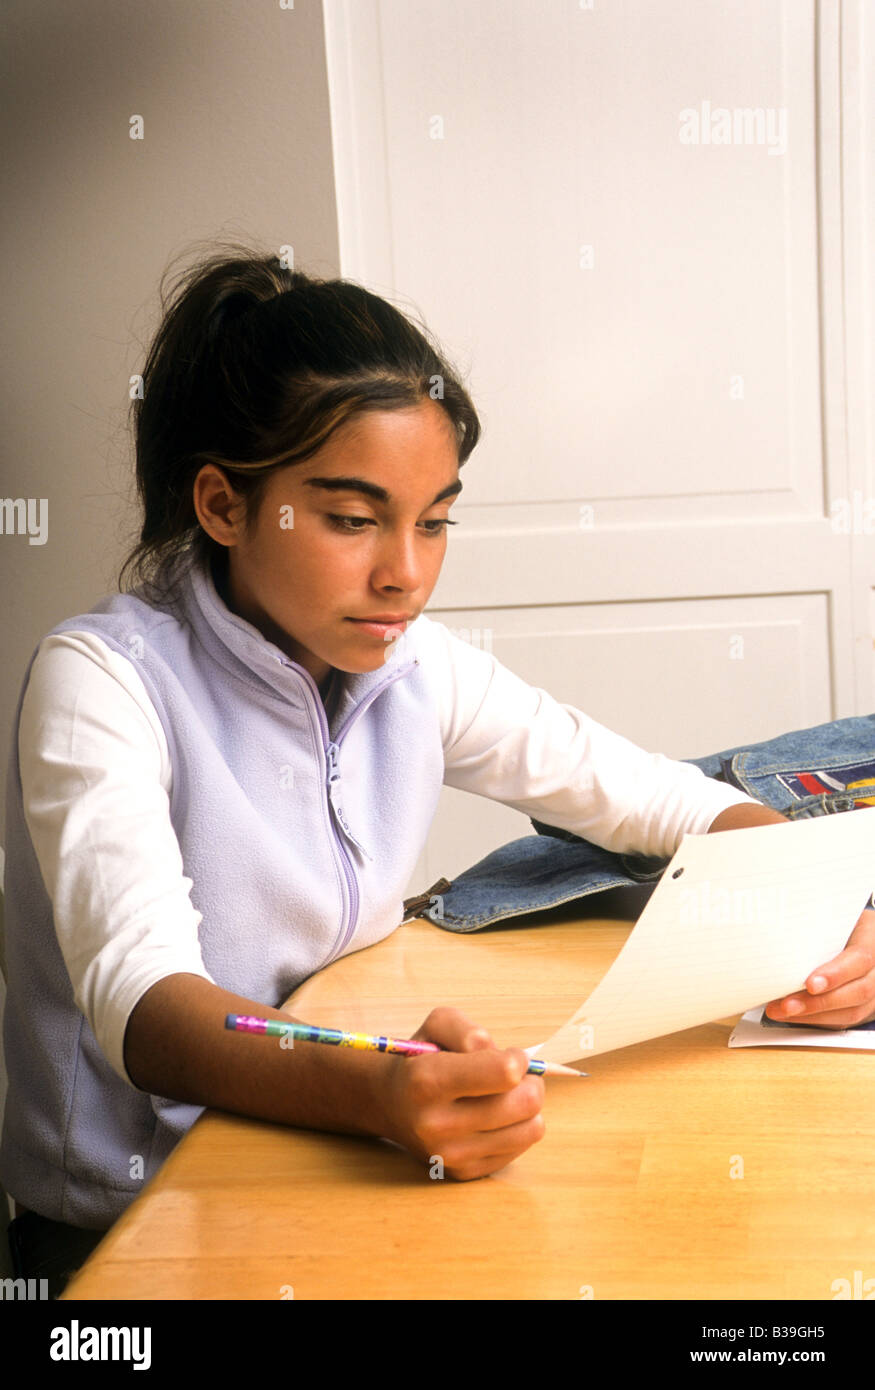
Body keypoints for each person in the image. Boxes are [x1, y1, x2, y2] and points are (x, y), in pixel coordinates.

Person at [3, 242, 873, 1297]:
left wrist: (833, 902)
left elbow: (653, 797)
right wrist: (374, 1089)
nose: (403, 573)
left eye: (434, 520)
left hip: (330, 1142)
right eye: (352, 518)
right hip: (128, 1225)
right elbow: (149, 1008)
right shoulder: (103, 682)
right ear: (225, 506)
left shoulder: (411, 665)